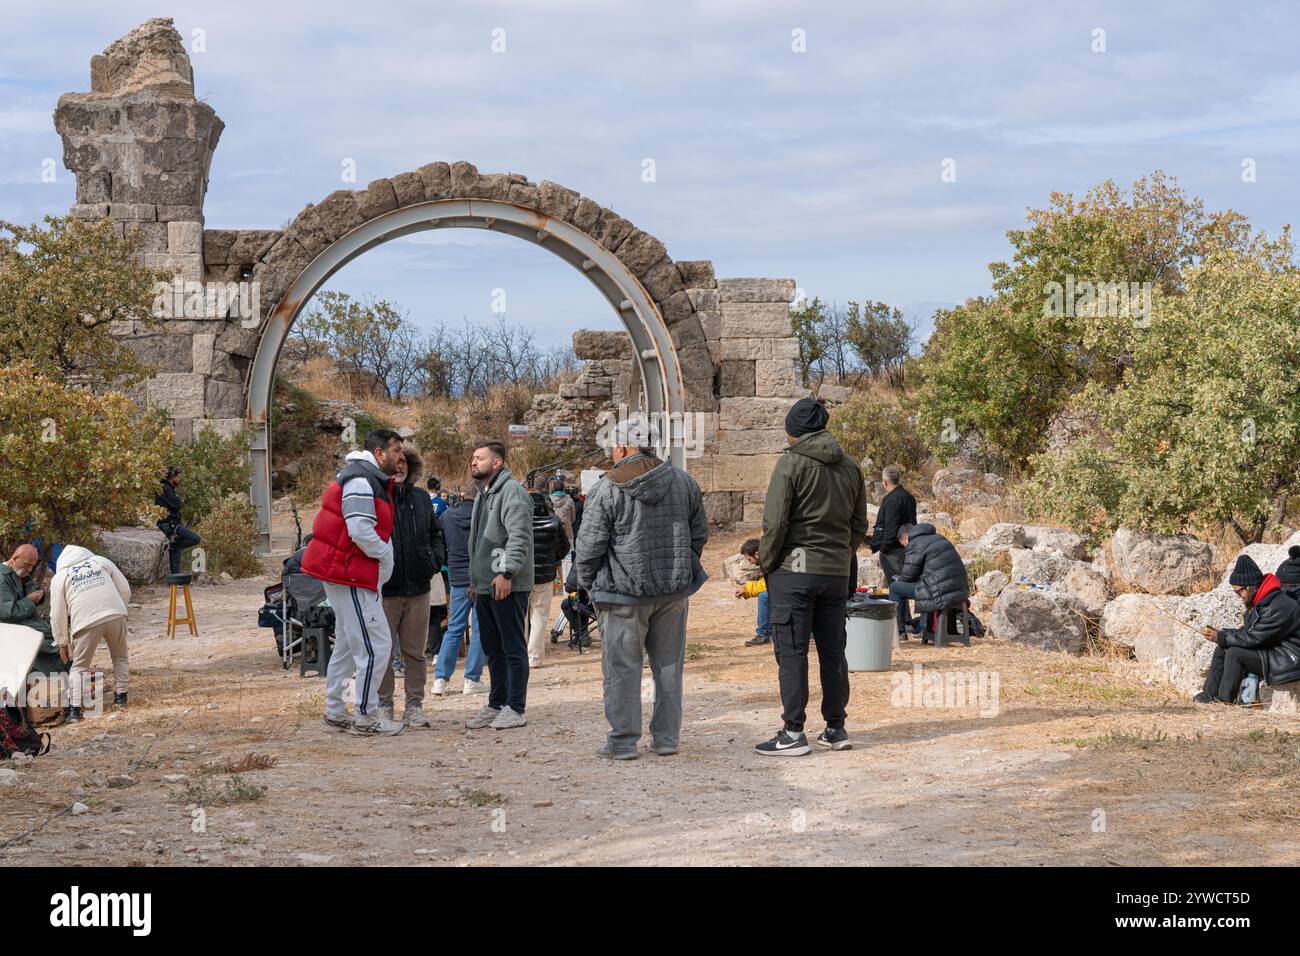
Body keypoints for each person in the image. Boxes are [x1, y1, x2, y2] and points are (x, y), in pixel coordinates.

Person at [575, 415, 708, 760]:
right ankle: (666, 740)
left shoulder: (606, 487)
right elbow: (699, 535)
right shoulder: (684, 482)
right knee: (668, 668)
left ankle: (622, 742)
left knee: (622, 669)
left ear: (621, 447)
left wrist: (589, 585)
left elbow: (589, 547)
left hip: (622, 594)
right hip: (673, 593)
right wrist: (682, 566)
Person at [756, 397, 867, 757]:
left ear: (793, 432)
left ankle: (792, 732)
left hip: (794, 571)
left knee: (792, 651)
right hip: (835, 572)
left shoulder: (790, 464)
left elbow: (775, 522)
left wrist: (768, 564)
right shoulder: (851, 467)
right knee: (834, 652)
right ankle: (835, 728)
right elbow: (859, 525)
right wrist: (840, 554)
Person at [302, 429, 405, 736]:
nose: (401, 456)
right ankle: (366, 715)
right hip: (351, 574)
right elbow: (360, 530)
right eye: (397, 450)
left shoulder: (363, 477)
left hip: (346, 573)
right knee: (376, 645)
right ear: (379, 453)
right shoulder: (361, 481)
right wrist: (385, 555)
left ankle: (336, 711)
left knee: (347, 646)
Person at [465, 440, 535, 730]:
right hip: (484, 585)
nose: (473, 461)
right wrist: (474, 580)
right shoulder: (483, 494)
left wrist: (507, 573)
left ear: (497, 463)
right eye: (472, 457)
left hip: (508, 584)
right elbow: (479, 543)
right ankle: (497, 703)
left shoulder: (512, 494)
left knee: (513, 648)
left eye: (479, 458)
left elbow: (519, 537)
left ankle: (516, 708)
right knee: (493, 649)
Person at [376, 446, 446, 728]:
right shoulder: (376, 497)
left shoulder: (420, 498)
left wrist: (434, 561)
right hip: (385, 591)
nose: (401, 466)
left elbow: (436, 533)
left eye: (405, 462)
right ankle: (383, 706)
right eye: (397, 461)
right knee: (382, 653)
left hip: (419, 588)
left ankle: (415, 706)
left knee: (416, 653)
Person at [1195, 555, 1300, 704]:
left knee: (1235, 653)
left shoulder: (1278, 605)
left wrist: (1222, 637)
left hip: (1288, 658)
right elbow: (1248, 632)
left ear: (1249, 586)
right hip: (1272, 649)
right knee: (1223, 647)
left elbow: (1255, 638)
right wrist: (1222, 635)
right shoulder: (1262, 601)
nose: (1239, 596)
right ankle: (1209, 695)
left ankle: (1224, 702)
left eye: (1239, 592)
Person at [48, 545, 131, 721]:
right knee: (120, 657)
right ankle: (121, 698)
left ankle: (74, 711)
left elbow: (57, 614)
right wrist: (119, 608)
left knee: (78, 667)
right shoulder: (102, 562)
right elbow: (124, 589)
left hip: (85, 621)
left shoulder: (60, 577)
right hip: (115, 613)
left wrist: (62, 641)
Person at [433, 485, 486, 696]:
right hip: (481, 578)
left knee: (454, 628)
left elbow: (443, 545)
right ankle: (472, 679)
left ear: (461, 496)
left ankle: (440, 679)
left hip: (457, 577)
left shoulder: (447, 516)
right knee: (480, 630)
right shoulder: (484, 515)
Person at [887, 522, 969, 638]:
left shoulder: (915, 544)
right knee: (924, 586)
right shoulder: (940, 538)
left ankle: (899, 632)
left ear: (905, 538)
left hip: (939, 590)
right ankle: (922, 628)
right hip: (960, 589)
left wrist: (899, 580)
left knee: (895, 588)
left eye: (904, 545)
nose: (905, 547)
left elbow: (908, 575)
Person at [0, 544, 65, 681]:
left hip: (30, 623)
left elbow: (31, 593)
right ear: (15, 558)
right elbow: (6, 613)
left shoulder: (22, 574)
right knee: (56, 645)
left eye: (32, 566)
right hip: (15, 628)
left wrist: (38, 596)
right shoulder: (2, 577)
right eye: (27, 564)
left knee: (62, 635)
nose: (29, 569)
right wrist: (30, 601)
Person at [870, 465, 917, 640]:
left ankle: (900, 628)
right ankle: (906, 620)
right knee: (901, 584)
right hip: (908, 546)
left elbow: (890, 527)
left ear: (885, 481)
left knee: (896, 586)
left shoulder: (891, 499)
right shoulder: (909, 497)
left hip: (893, 550)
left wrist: (883, 547)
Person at [526, 490, 570, 669]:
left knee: (520, 616)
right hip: (545, 576)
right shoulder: (553, 522)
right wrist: (553, 558)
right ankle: (535, 656)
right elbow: (564, 547)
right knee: (540, 616)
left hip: (522, 575)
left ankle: (520, 653)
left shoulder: (520, 522)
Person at [155, 466, 202, 576]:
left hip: (171, 523)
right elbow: (178, 504)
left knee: (175, 547)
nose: (180, 479)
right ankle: (174, 546)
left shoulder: (168, 488)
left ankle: (176, 577)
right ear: (172, 477)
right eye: (178, 477)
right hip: (170, 524)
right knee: (195, 538)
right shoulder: (166, 489)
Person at [734, 538, 770, 647]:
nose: (751, 563)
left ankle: (763, 634)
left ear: (757, 554)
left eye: (750, 559)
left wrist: (747, 589)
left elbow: (768, 585)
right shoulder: (768, 557)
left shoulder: (768, 561)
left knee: (764, 597)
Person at [549, 479, 576, 544]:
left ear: (553, 488)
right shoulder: (569, 500)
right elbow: (573, 518)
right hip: (567, 531)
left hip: (553, 531)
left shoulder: (548, 499)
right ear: (563, 488)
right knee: (569, 552)